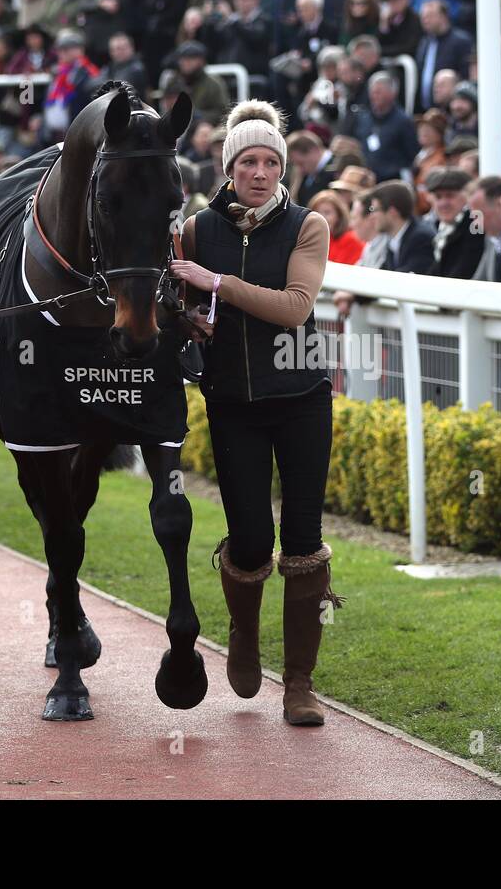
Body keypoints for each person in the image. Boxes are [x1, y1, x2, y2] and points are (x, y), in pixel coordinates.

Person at [167, 100, 339, 727]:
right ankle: (243, 635)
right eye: (247, 161)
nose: (260, 172)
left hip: (300, 400)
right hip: (232, 402)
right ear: (229, 167)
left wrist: (216, 284)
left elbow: (295, 306)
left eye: (270, 162)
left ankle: (299, 684)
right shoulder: (194, 230)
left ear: (283, 168)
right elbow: (178, 307)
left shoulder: (307, 225)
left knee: (302, 539)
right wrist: (191, 315)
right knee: (248, 539)